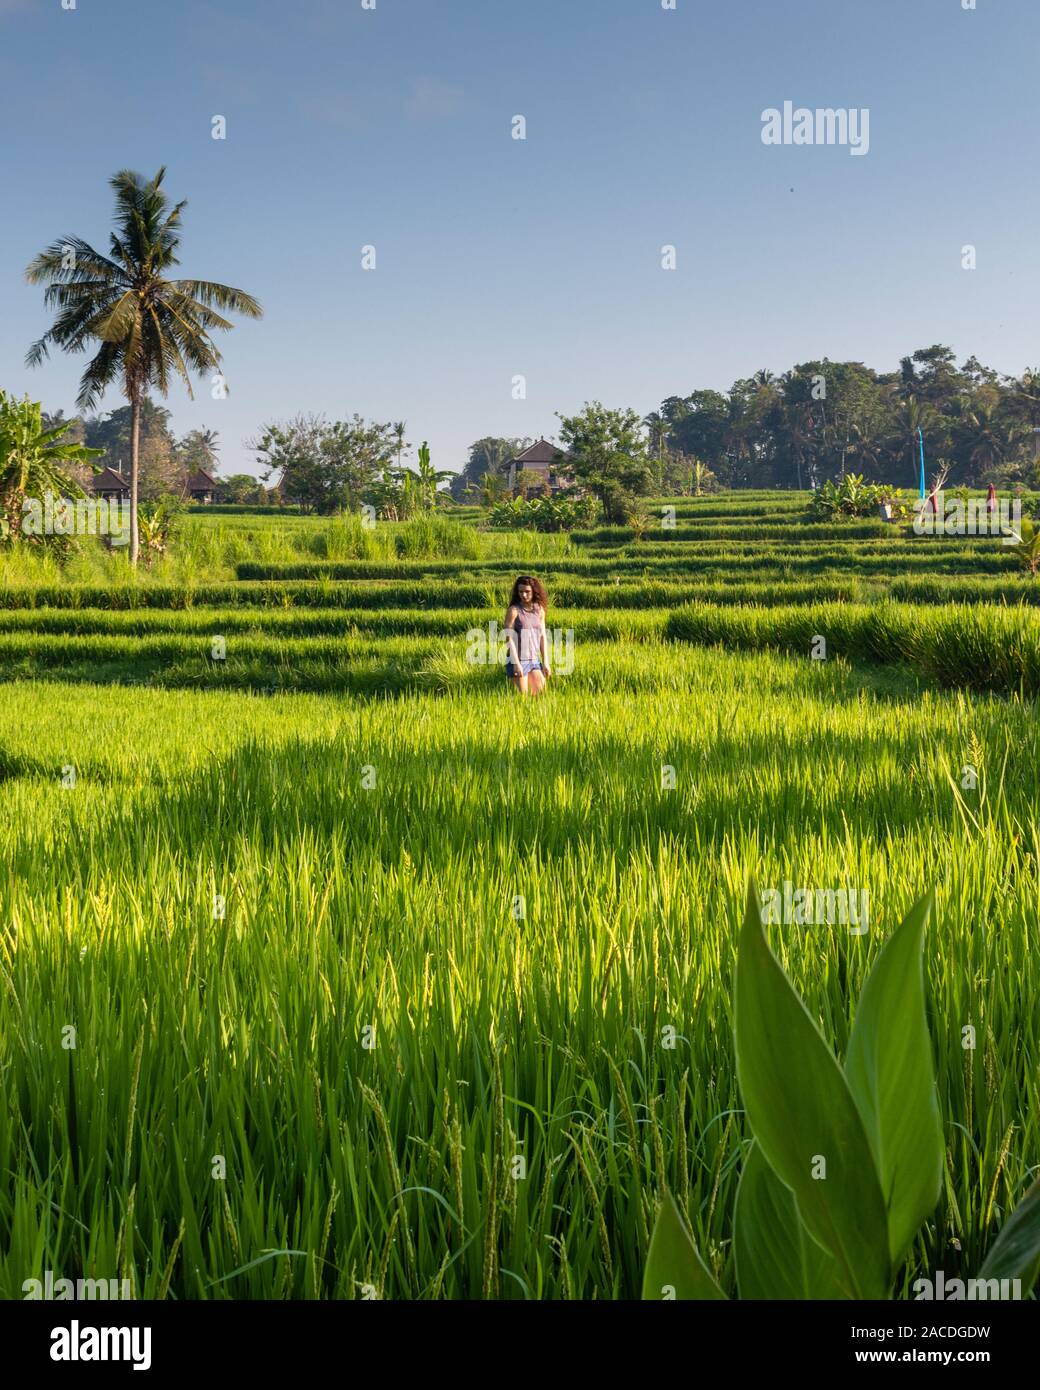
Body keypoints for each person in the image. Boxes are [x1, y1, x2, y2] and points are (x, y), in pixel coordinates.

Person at [504, 575, 551, 695]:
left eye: (527, 591)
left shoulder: (539, 610)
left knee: (541, 696)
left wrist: (546, 661)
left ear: (534, 591)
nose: (524, 595)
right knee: (522, 700)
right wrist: (516, 664)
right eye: (521, 592)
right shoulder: (514, 611)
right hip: (518, 659)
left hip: (534, 659)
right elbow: (509, 639)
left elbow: (542, 636)